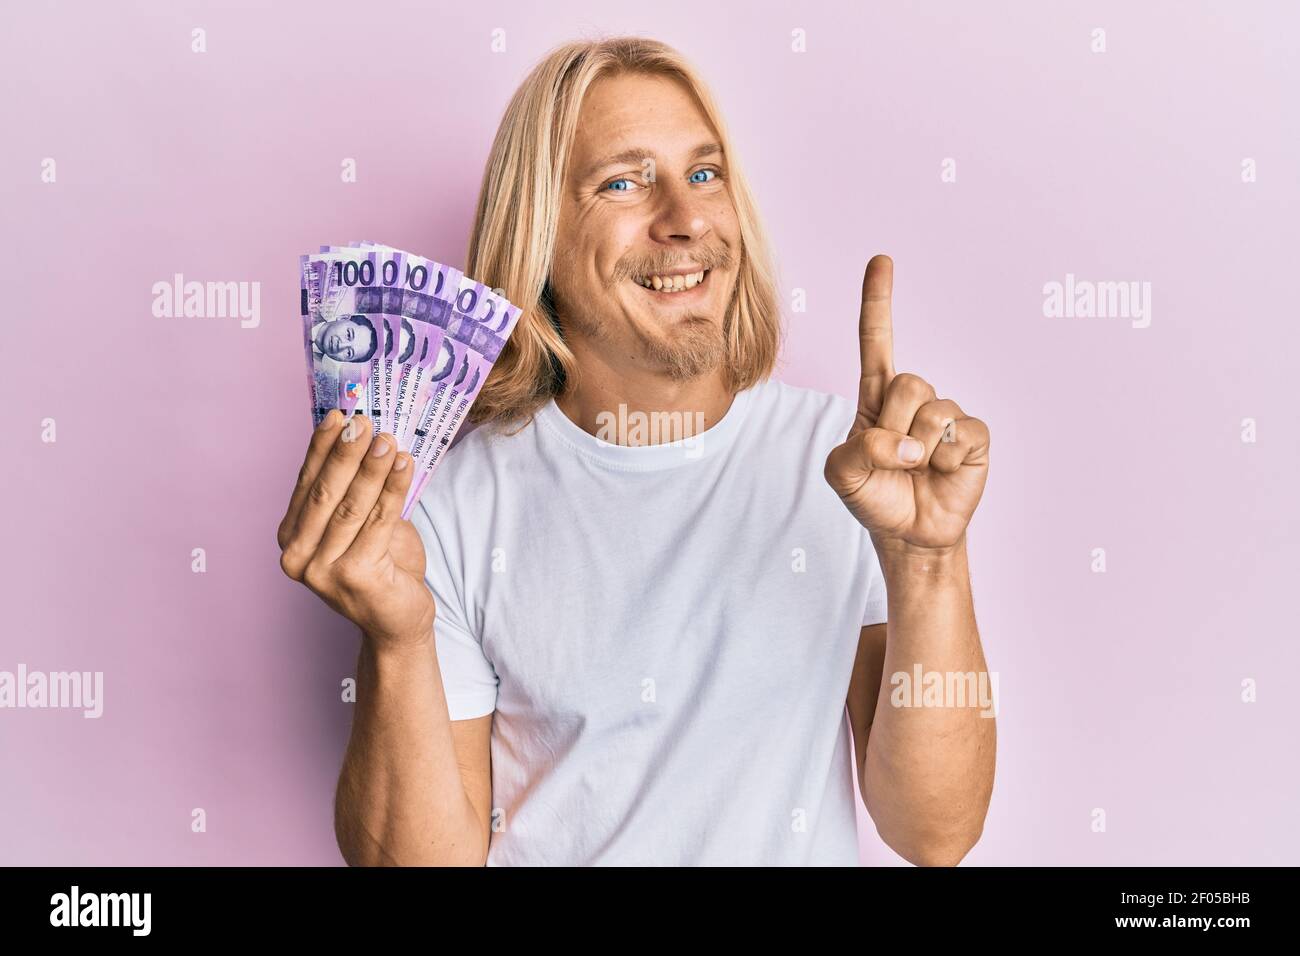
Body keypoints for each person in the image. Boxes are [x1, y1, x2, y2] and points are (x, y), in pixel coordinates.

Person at [278, 37, 995, 866]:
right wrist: (397, 640)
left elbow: (936, 833)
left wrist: (927, 558)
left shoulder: (852, 467)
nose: (686, 220)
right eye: (623, 181)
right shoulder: (453, 506)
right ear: (537, 237)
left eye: (704, 173)